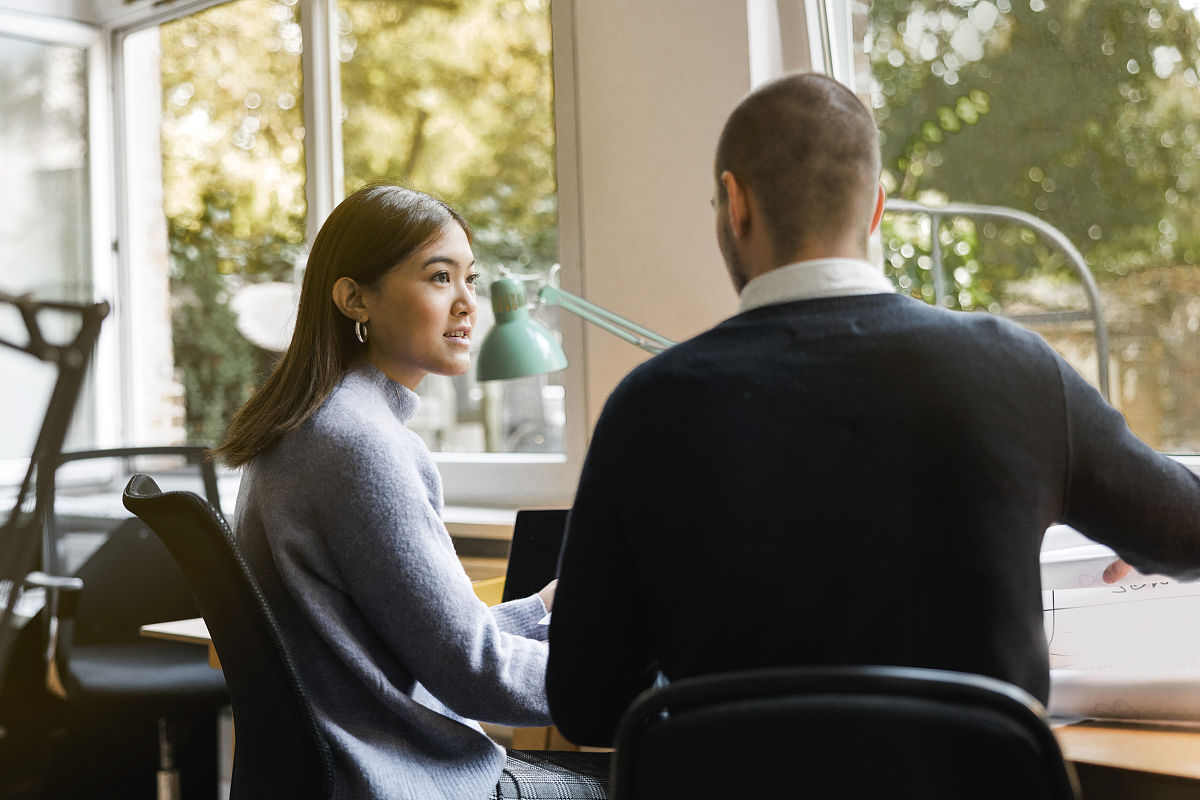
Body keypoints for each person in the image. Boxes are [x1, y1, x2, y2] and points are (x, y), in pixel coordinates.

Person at [545, 72, 1200, 747]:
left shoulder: (647, 409)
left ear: (734, 204)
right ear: (877, 209)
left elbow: (587, 704)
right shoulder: (1019, 371)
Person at [213, 184, 609, 799]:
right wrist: (634, 674)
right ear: (355, 298)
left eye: (470, 280)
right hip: (407, 780)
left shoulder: (317, 423)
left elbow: (426, 642)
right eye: (438, 277)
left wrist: (544, 612)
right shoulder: (358, 443)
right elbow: (472, 674)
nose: (466, 304)